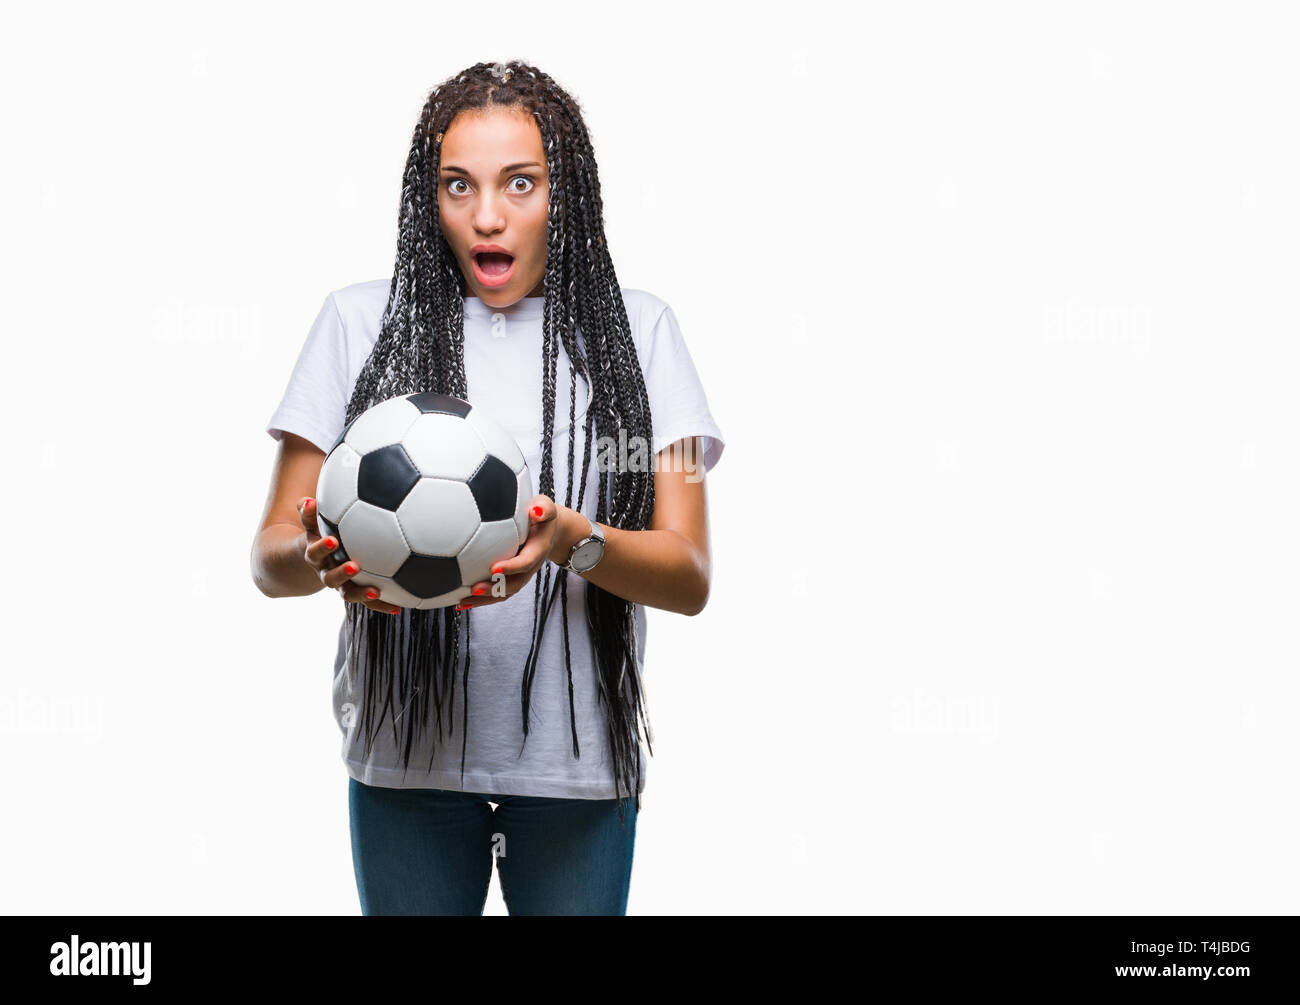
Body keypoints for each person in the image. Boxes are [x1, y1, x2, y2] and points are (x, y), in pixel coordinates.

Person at [250, 60, 724, 916]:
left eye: (520, 183)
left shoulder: (641, 334)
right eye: (458, 185)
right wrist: (317, 558)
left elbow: (688, 572)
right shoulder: (359, 323)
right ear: (426, 198)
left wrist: (572, 540)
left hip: (576, 772)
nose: (488, 215)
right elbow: (268, 556)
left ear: (565, 194)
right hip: (407, 763)